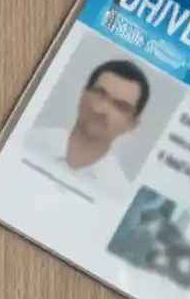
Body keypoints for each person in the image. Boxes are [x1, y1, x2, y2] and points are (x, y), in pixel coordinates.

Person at [26, 59, 150, 198]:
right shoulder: (28, 141)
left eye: (120, 106)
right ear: (83, 93)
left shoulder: (120, 195)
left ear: (132, 124)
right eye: (99, 94)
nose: (102, 109)